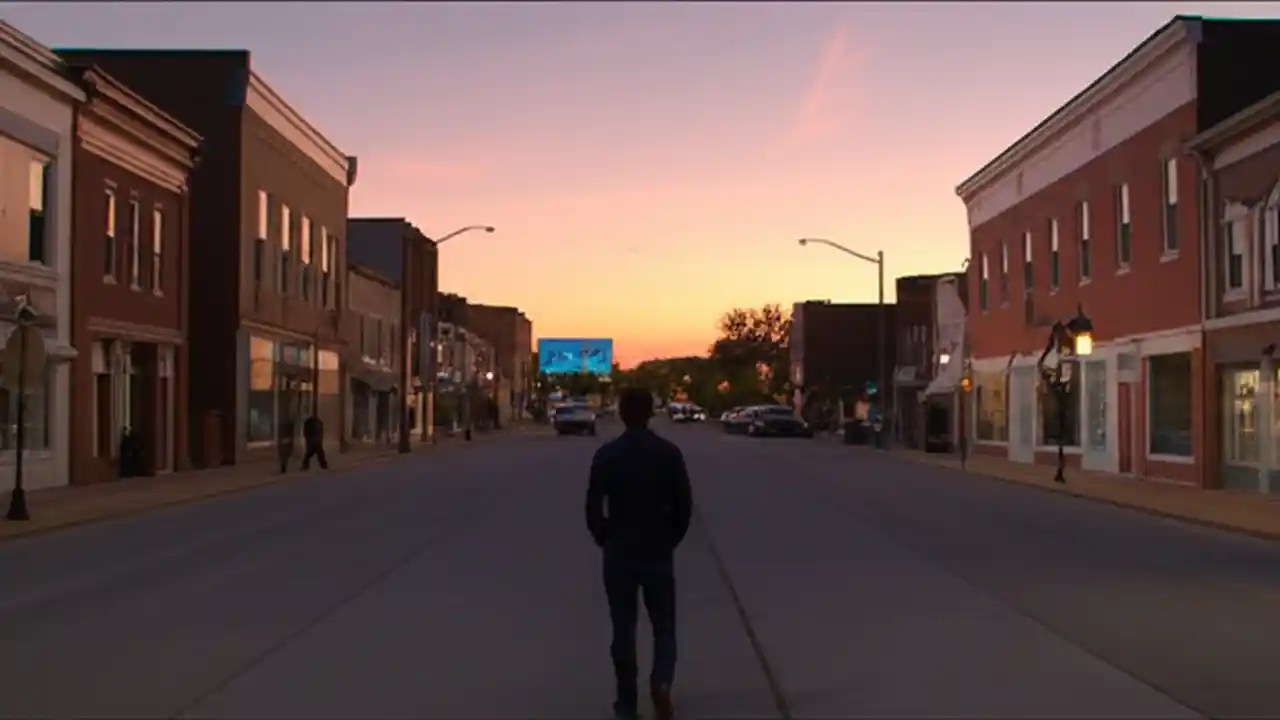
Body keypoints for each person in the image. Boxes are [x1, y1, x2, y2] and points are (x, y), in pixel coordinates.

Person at [585, 386, 693, 720]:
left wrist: (604, 537)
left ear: (620, 412)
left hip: (619, 549)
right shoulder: (668, 453)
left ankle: (627, 702)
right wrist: (671, 538)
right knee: (663, 625)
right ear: (651, 412)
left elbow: (592, 506)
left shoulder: (607, 454)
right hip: (657, 548)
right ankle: (661, 682)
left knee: (623, 627)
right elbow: (684, 504)